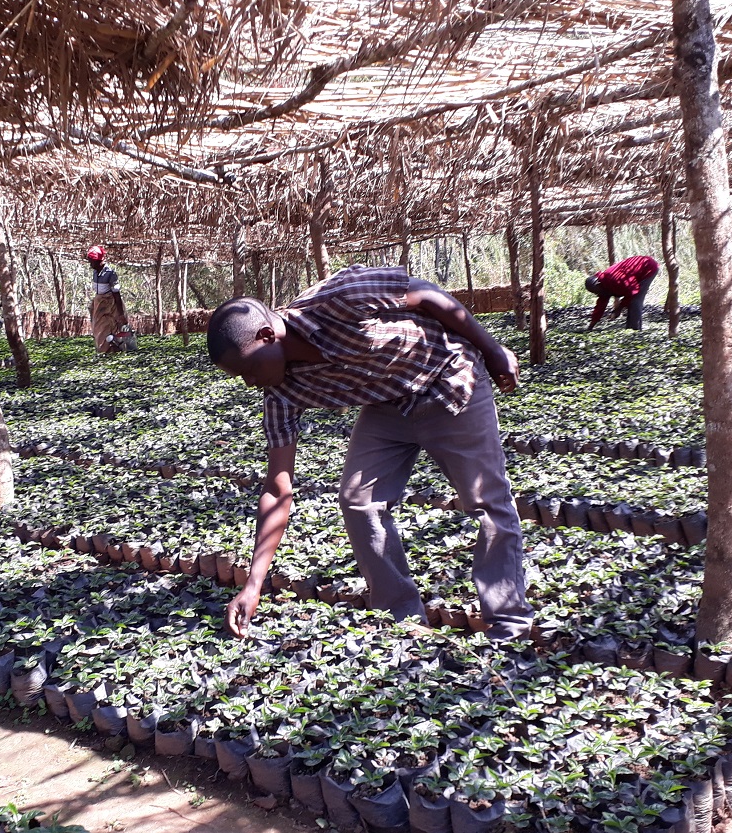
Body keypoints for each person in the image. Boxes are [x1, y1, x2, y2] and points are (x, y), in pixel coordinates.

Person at [209, 265, 533, 642]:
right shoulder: (281, 394)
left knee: (486, 501)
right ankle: (403, 618)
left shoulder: (340, 299)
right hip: (388, 404)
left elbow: (427, 294)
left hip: (448, 379)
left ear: (268, 335)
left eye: (247, 369)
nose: (250, 382)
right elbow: (278, 490)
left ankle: (509, 620)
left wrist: (493, 350)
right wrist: (253, 584)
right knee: (358, 501)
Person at [585, 255, 659, 331]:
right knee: (631, 301)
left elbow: (633, 292)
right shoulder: (602, 287)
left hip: (648, 267)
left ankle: (635, 330)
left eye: (596, 291)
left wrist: (619, 308)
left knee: (635, 301)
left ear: (598, 284)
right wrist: (590, 327)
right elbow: (600, 306)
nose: (597, 294)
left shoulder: (614, 279)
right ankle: (630, 328)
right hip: (633, 278)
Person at [86, 245, 136, 353]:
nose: (90, 264)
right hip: (100, 305)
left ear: (98, 260)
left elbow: (116, 295)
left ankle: (120, 349)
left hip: (111, 304)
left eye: (92, 261)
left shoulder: (110, 274)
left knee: (116, 327)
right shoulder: (95, 272)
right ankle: (106, 351)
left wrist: (121, 314)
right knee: (100, 330)